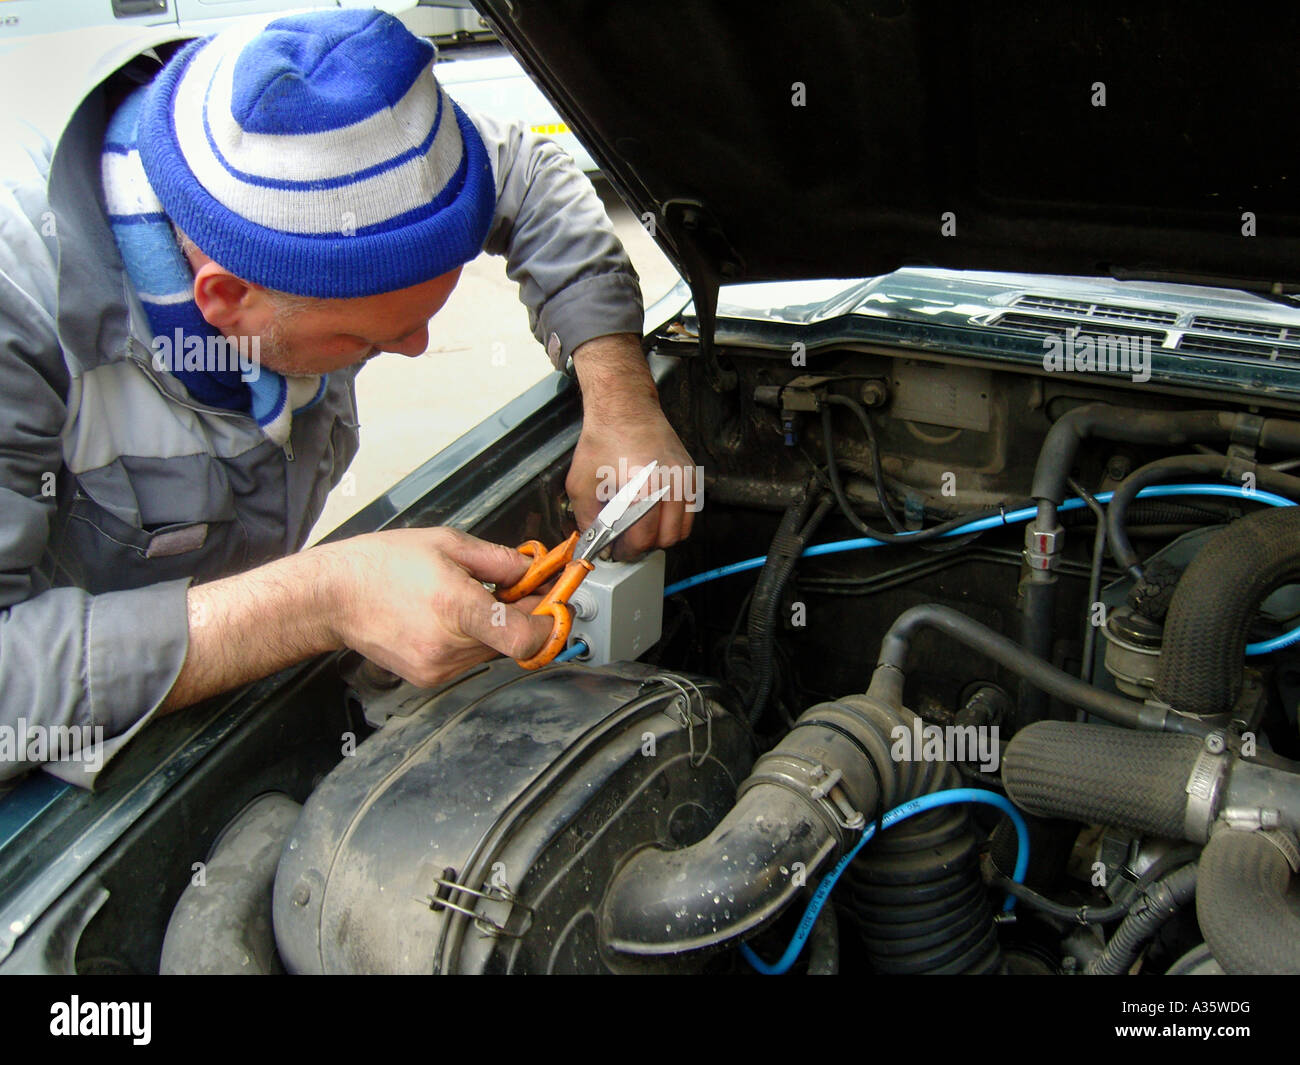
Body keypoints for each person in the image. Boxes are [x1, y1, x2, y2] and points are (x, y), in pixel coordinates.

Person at [0, 8, 694, 785]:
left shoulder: (355, 155)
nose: (418, 347)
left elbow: (529, 176)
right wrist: (323, 597)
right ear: (225, 297)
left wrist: (622, 397)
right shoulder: (19, 307)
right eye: (367, 341)